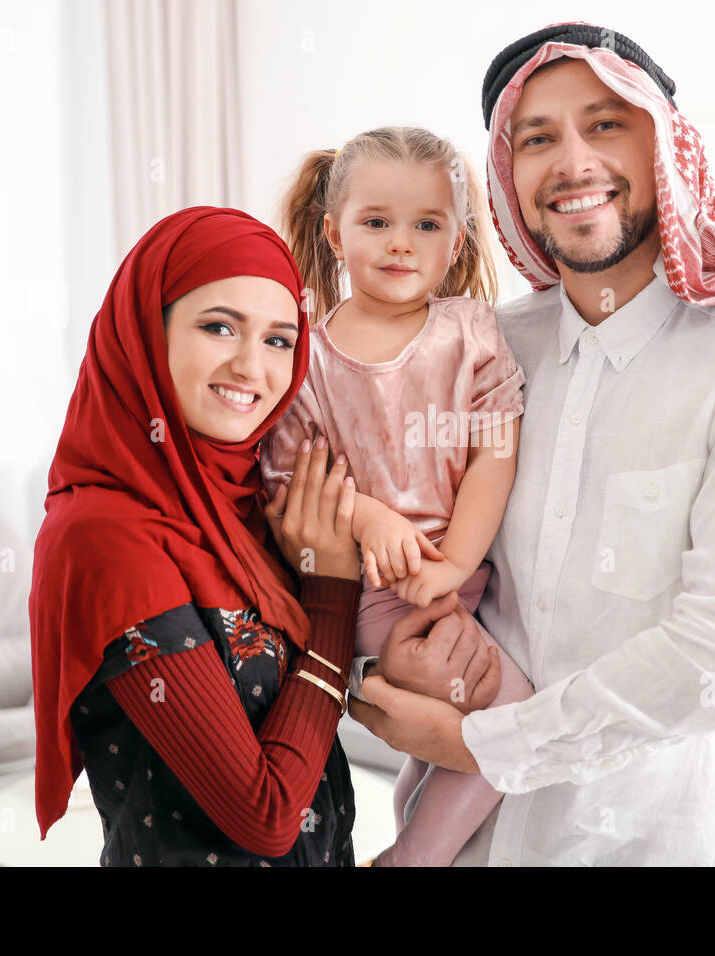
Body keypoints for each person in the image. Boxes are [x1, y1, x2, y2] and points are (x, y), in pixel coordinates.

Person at [349, 23, 715, 865]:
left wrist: (491, 747)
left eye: (605, 124)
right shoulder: (491, 344)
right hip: (482, 844)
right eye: (537, 138)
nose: (572, 161)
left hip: (678, 842)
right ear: (506, 174)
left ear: (668, 145)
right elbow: (389, 526)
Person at [30, 205, 368, 866]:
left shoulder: (253, 501)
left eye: (278, 340)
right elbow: (267, 817)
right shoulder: (105, 536)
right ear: (144, 333)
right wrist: (333, 597)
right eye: (219, 327)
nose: (252, 367)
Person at [259, 126, 536, 866]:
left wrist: (450, 567)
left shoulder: (470, 332)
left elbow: (493, 460)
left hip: (455, 581)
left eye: (426, 225)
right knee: (512, 710)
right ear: (334, 233)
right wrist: (370, 514)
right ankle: (412, 858)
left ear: (455, 241)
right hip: (372, 597)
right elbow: (289, 486)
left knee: (450, 722)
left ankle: (411, 828)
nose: (400, 244)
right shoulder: (307, 353)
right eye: (376, 222)